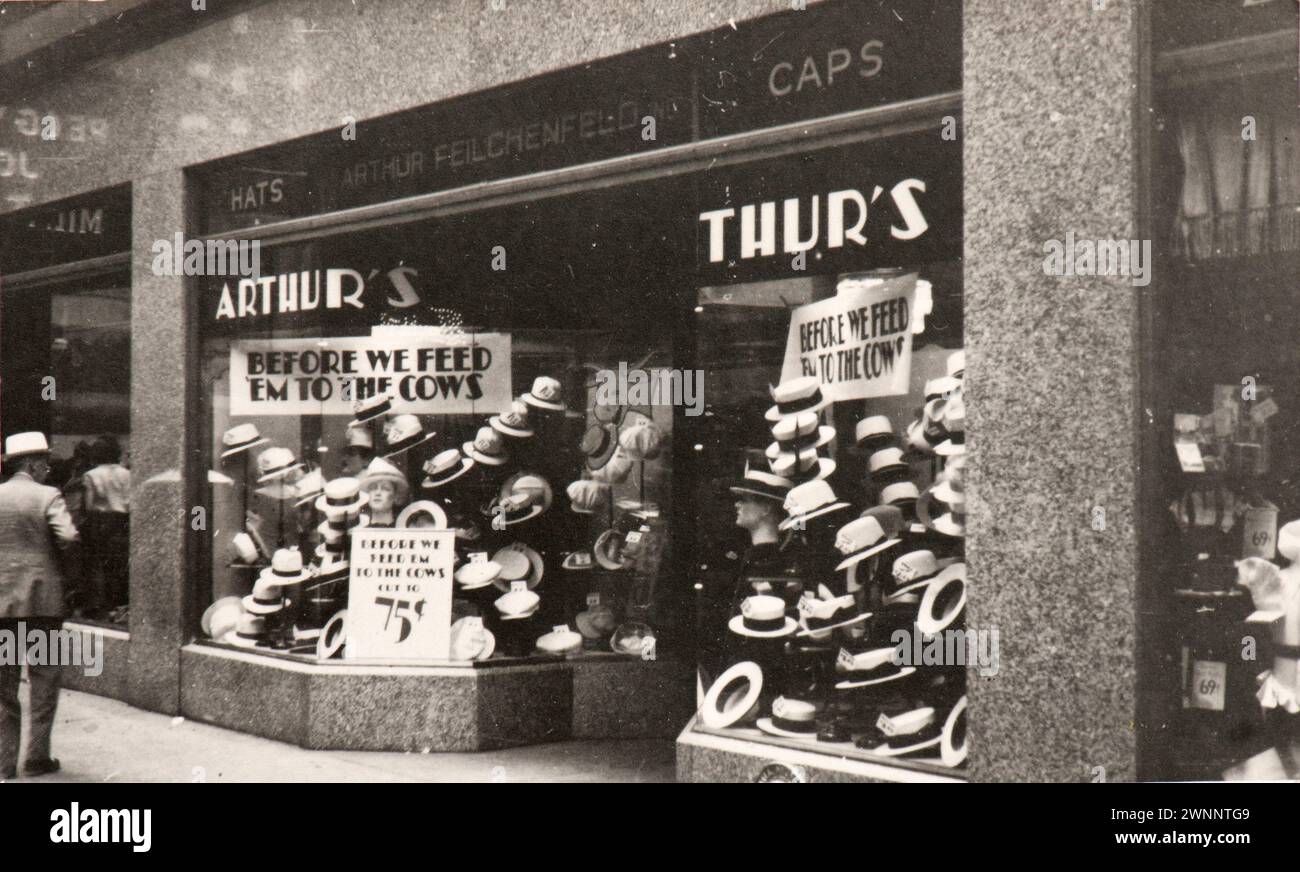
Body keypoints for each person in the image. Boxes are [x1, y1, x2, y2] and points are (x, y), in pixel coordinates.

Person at [0, 431, 81, 779]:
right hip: (43, 603)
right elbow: (69, 537)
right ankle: (37, 758)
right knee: (45, 680)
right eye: (45, 463)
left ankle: (4, 763)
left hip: (3, 606)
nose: (48, 469)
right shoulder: (48, 495)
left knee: (3, 686)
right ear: (32, 464)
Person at [82, 435, 131, 619]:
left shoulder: (91, 475)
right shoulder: (127, 474)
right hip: (124, 522)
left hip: (100, 523)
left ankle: (101, 605)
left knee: (99, 565)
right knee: (120, 565)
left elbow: (88, 505)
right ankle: (119, 604)